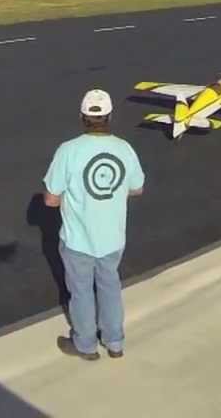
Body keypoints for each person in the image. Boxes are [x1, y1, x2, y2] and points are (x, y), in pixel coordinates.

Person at [42, 87, 145, 360]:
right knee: (110, 288)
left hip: (78, 240)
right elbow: (137, 188)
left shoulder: (68, 150)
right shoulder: (124, 149)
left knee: (81, 293)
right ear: (110, 116)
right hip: (112, 238)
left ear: (82, 117)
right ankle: (115, 343)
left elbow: (51, 199)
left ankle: (86, 345)